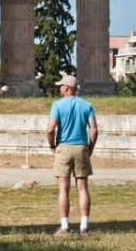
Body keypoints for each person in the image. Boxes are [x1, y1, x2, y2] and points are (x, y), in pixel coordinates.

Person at [45, 74, 98, 236]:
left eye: (61, 86)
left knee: (63, 189)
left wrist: (52, 144)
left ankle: (65, 226)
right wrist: (90, 147)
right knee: (82, 188)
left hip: (64, 146)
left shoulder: (57, 105)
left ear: (67, 88)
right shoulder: (87, 105)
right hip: (81, 146)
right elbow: (94, 129)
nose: (60, 88)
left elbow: (50, 129)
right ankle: (84, 225)